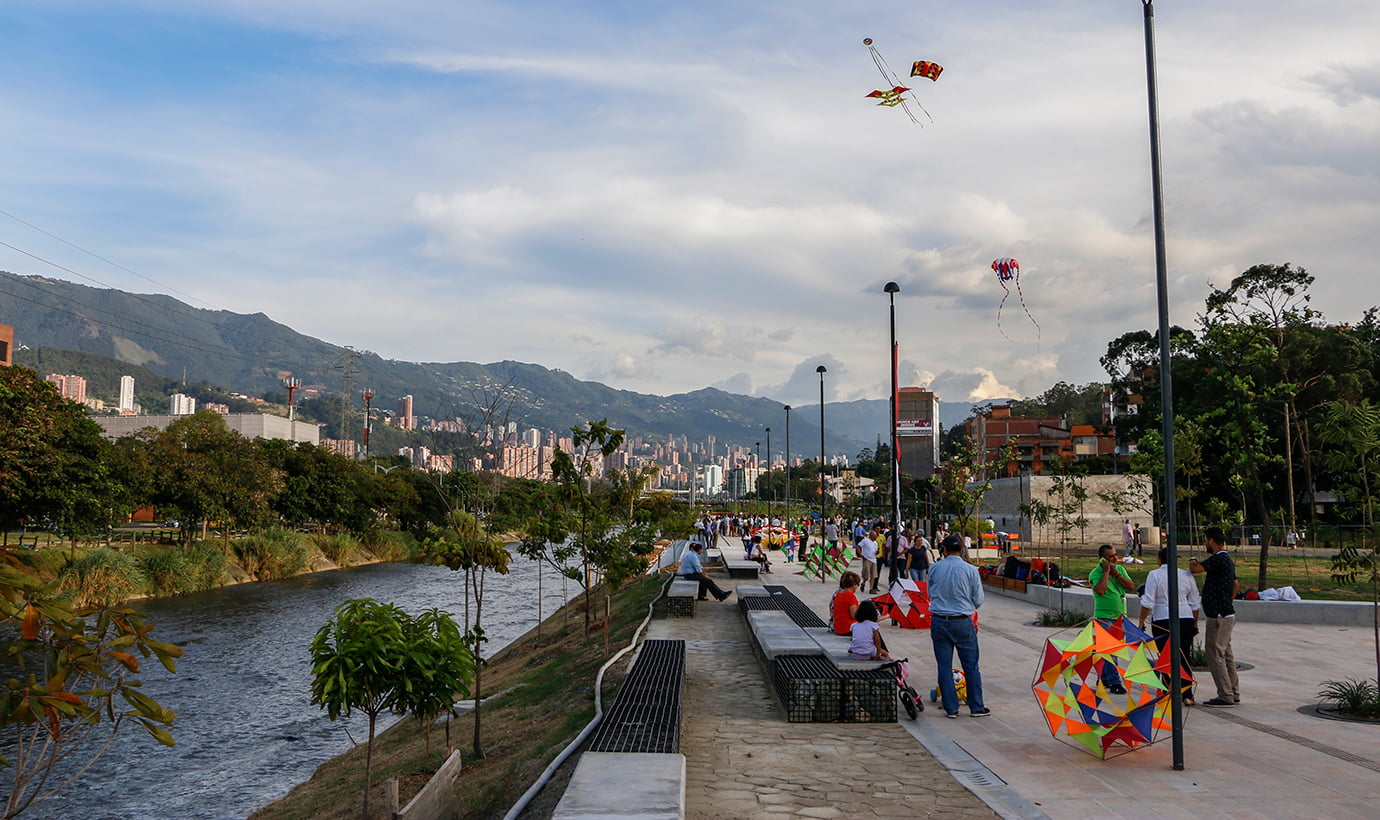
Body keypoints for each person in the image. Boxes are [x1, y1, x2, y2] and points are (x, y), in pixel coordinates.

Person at [928, 535, 989, 718]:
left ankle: (951, 707)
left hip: (939, 620)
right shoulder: (971, 570)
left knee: (944, 666)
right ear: (962, 549)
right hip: (962, 621)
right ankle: (976, 706)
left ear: (944, 550)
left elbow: (931, 592)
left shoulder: (935, 569)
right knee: (971, 665)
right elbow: (978, 599)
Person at [1137, 546, 1201, 703]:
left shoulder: (1155, 575)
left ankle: (1168, 690)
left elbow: (1148, 601)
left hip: (1162, 618)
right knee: (1184, 655)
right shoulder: (1186, 575)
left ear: (1160, 560)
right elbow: (1194, 602)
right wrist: (1194, 623)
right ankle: (1187, 693)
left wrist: (1141, 621)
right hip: (1185, 617)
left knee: (1165, 656)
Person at [1191, 526, 1239, 707]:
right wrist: (1227, 600)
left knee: (1215, 654)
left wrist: (1192, 560)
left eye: (1205, 540)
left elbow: (1196, 569)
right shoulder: (1227, 560)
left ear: (1211, 540)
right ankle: (1233, 692)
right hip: (1225, 613)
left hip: (1218, 616)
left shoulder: (1218, 559)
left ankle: (1225, 695)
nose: (1205, 544)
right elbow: (1236, 584)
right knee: (1226, 654)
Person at [1090, 543, 1136, 694]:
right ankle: (1114, 681)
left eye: (1115, 555)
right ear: (1103, 559)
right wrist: (1106, 572)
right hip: (1105, 617)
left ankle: (1103, 677)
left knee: (1110, 650)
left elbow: (1130, 586)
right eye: (1111, 556)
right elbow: (1101, 590)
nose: (1115, 558)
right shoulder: (1095, 574)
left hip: (1119, 617)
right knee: (1110, 650)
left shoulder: (1120, 569)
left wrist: (1116, 574)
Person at [857, 526, 880, 594]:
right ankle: (863, 582)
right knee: (866, 575)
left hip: (874, 559)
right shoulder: (865, 540)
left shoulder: (875, 543)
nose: (876, 537)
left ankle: (871, 588)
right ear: (871, 535)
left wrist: (877, 552)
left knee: (873, 575)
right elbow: (858, 546)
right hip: (867, 559)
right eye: (875, 535)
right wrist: (861, 554)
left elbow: (875, 550)